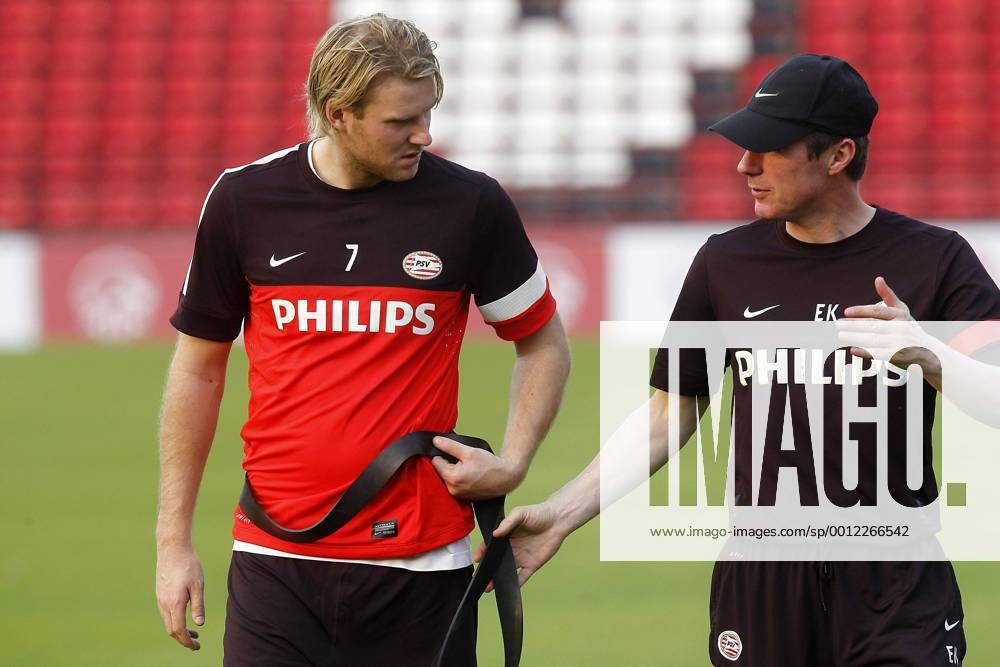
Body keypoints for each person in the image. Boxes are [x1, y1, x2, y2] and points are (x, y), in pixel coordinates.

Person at [491, 54, 1000, 666]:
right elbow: (666, 416)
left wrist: (931, 356)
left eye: (769, 148)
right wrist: (561, 515)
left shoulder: (937, 259)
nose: (744, 164)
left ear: (838, 156)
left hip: (894, 580)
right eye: (743, 146)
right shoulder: (723, 263)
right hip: (760, 580)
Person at [154, 13, 571, 665]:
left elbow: (543, 343)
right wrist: (171, 541)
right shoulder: (244, 200)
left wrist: (513, 460)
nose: (424, 134)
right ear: (338, 112)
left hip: (423, 570)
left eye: (428, 112)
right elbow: (198, 369)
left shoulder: (471, 205)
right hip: (275, 563)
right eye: (402, 120)